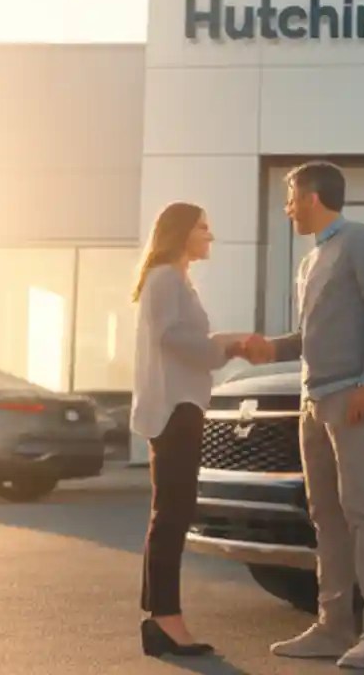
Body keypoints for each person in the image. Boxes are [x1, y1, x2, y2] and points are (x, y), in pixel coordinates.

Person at [248, 162, 364, 669]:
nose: (288, 206)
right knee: (326, 518)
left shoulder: (363, 241)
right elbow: (313, 337)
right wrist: (270, 349)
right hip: (312, 402)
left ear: (313, 195)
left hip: (354, 399)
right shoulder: (309, 261)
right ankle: (334, 628)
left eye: (291, 196)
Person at [130, 202, 249, 658]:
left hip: (183, 406)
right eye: (203, 227)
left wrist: (232, 344)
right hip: (175, 409)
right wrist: (225, 351)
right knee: (173, 515)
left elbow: (187, 340)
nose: (210, 236)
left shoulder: (175, 280)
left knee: (171, 513)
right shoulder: (164, 279)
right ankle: (166, 618)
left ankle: (160, 617)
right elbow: (174, 341)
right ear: (181, 232)